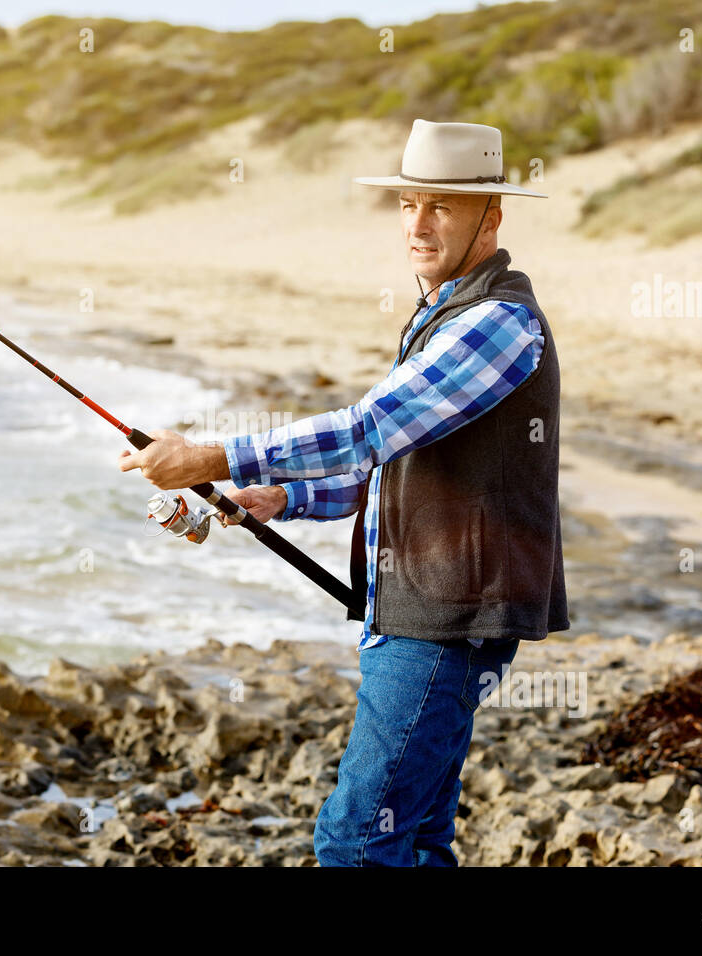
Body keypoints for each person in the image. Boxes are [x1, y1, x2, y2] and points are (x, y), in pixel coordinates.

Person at [118, 120, 569, 866]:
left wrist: (211, 454)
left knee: (355, 841)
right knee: (418, 839)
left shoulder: (497, 323)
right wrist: (280, 499)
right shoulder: (444, 314)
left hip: (444, 620)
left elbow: (368, 428)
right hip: (426, 611)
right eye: (406, 203)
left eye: (442, 207)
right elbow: (397, 462)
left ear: (492, 216)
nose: (417, 225)